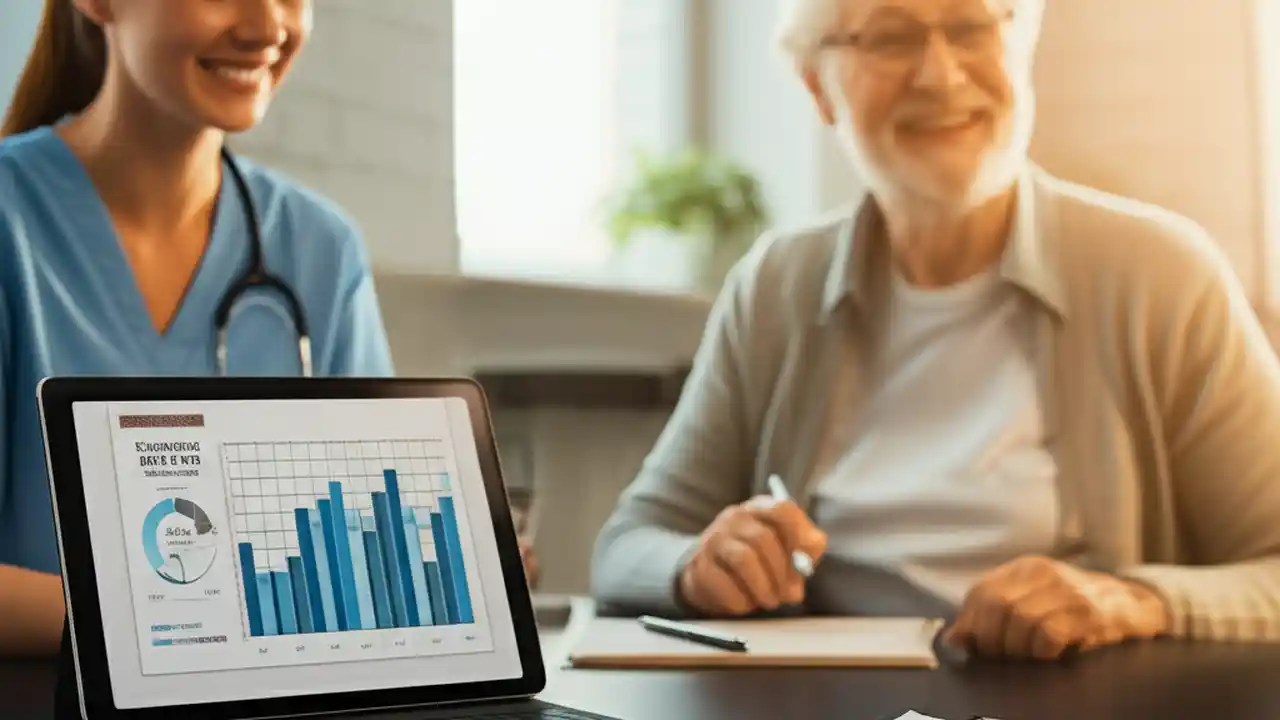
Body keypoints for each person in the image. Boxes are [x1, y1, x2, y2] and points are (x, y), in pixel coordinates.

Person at [592, 0, 1280, 661]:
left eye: (972, 27)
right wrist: (695, 566)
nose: (941, 74)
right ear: (818, 88)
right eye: (891, 38)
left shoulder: (1163, 275)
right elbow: (627, 545)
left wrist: (1133, 600)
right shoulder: (775, 284)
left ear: (1020, 47)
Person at [0, 0, 396, 656]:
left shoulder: (320, 249)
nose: (268, 27)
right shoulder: (13, 224)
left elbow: (372, 552)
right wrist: (187, 622)